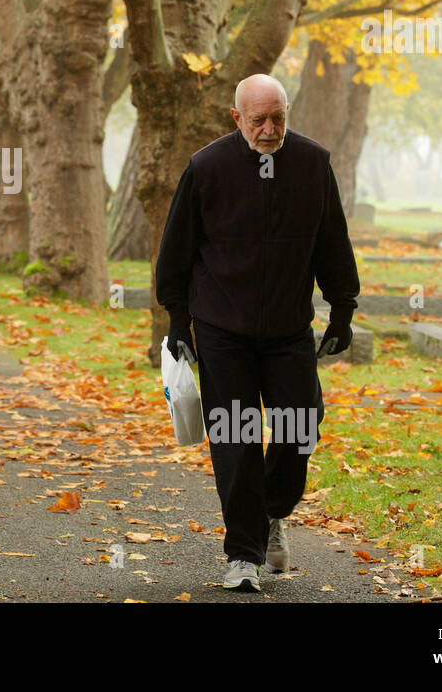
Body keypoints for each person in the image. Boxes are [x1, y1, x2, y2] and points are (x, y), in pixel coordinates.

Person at [155, 73, 359, 592]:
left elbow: (332, 240)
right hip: (223, 330)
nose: (269, 130)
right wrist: (179, 322)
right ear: (236, 119)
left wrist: (342, 311)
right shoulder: (207, 167)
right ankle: (242, 555)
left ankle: (272, 514)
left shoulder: (313, 163)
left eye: (278, 119)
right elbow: (175, 252)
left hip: (289, 329)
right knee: (237, 441)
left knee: (299, 431)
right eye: (258, 120)